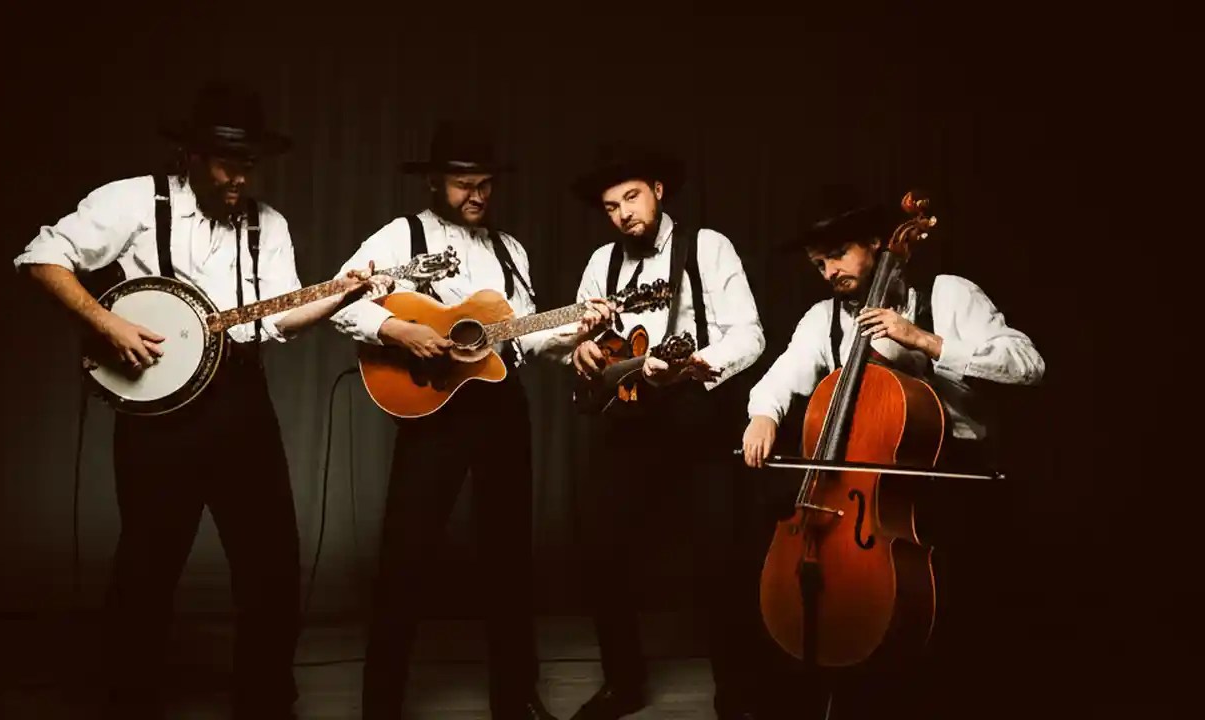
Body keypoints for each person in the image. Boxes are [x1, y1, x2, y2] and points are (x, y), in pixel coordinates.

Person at [13, 81, 379, 719]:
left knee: (271, 564)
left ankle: (266, 700)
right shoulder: (133, 201)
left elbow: (281, 318)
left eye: (249, 164)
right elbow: (41, 258)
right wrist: (107, 324)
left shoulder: (269, 224)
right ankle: (129, 700)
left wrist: (340, 295)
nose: (239, 178)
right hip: (160, 412)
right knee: (148, 562)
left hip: (241, 399)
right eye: (226, 163)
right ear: (190, 155)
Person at [328, 121, 605, 720]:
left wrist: (577, 328)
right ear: (434, 182)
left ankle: (515, 698)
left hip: (501, 404)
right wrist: (399, 330)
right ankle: (381, 706)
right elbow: (340, 299)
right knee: (405, 554)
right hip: (434, 408)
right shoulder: (402, 236)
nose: (477, 195)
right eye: (463, 184)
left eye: (485, 184)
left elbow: (526, 337)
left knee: (509, 554)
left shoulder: (510, 249)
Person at [741, 184, 1046, 718]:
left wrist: (924, 340)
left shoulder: (948, 295)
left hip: (953, 482)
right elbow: (780, 378)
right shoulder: (823, 319)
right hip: (866, 490)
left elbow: (1027, 364)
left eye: (838, 254)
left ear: (878, 243)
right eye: (819, 264)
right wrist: (763, 414)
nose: (830, 272)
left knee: (958, 627)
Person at [565, 143, 769, 720]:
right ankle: (622, 683)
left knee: (720, 555)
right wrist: (580, 349)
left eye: (631, 197)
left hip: (695, 412)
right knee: (601, 549)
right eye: (611, 206)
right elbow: (582, 336)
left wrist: (699, 364)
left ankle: (738, 689)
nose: (623, 214)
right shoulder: (601, 262)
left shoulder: (708, 247)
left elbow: (749, 333)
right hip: (626, 419)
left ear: (657, 190)